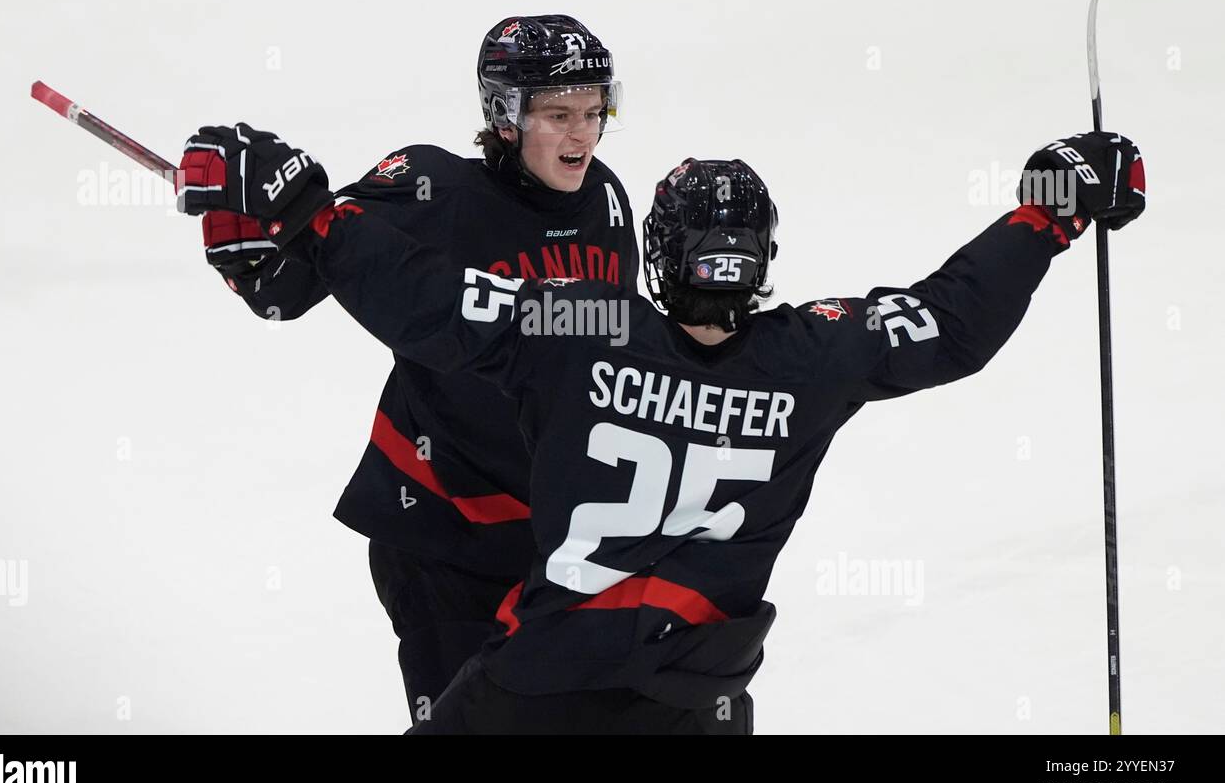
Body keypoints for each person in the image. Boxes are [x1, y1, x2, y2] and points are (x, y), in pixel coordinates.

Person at [177, 128, 1144, 733]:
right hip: (701, 696)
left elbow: (433, 303)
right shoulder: (816, 353)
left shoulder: (582, 327)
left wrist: (316, 217)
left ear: (654, 253)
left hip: (539, 689)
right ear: (763, 261)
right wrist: (1046, 216)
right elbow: (952, 320)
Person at [182, 15, 639, 722]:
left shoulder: (606, 200)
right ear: (505, 116)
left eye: (593, 110)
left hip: (552, 542)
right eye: (558, 113)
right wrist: (241, 232)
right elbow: (288, 285)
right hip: (441, 540)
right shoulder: (432, 187)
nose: (582, 133)